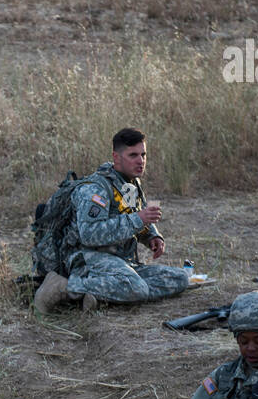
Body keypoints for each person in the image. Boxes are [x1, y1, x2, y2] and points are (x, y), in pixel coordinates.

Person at [34, 127, 188, 312]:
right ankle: (63, 286)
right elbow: (89, 235)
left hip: (120, 260)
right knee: (137, 288)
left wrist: (152, 237)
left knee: (180, 278)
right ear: (116, 157)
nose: (141, 161)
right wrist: (138, 219)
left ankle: (100, 296)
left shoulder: (129, 183)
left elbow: (131, 215)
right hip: (88, 258)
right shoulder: (96, 189)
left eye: (143, 155)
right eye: (133, 155)